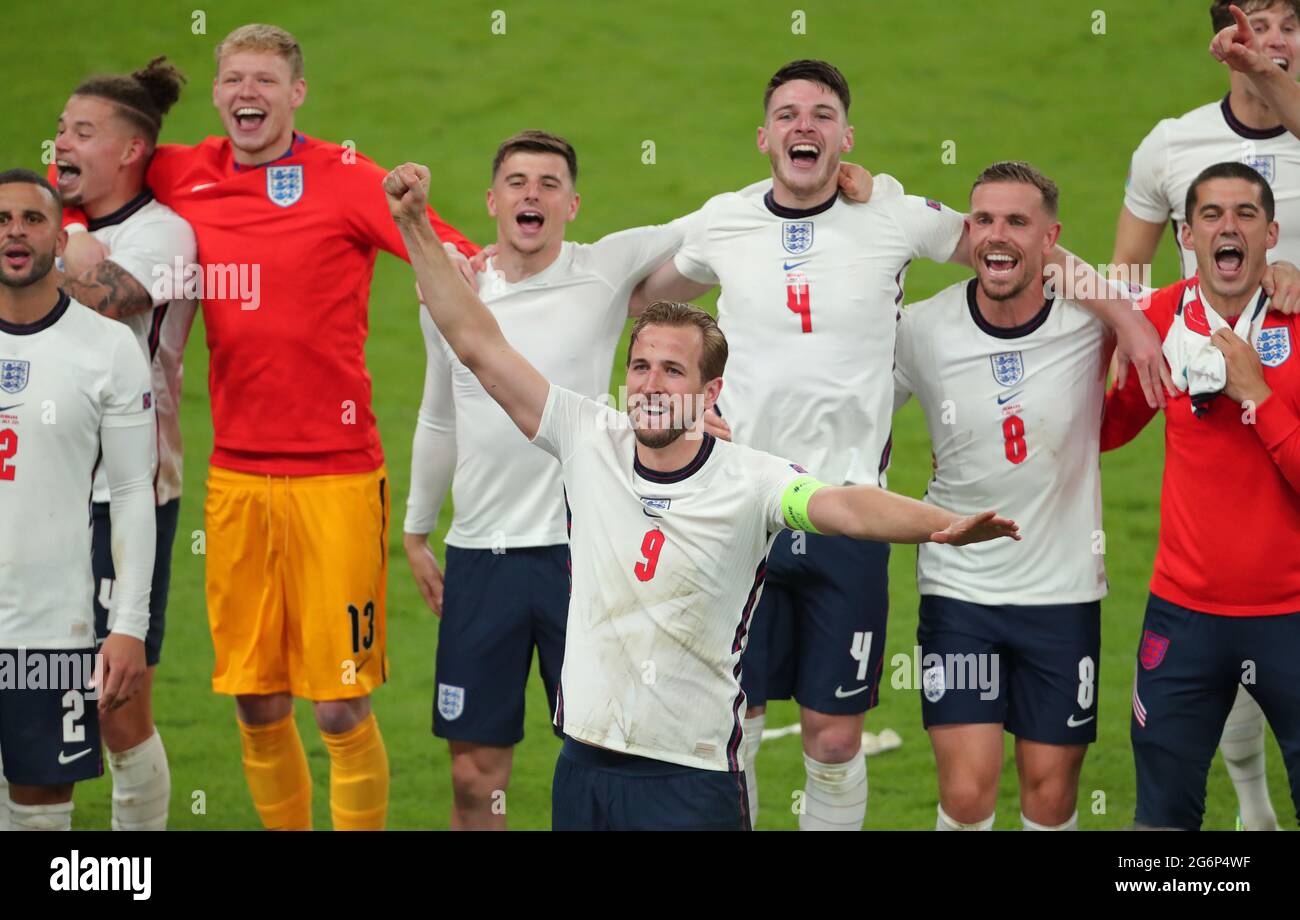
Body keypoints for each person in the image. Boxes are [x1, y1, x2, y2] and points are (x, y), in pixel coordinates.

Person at [384, 159, 1020, 830]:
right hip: (585, 770)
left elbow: (851, 505)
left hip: (691, 782)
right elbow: (478, 343)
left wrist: (943, 525)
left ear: (709, 391)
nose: (652, 384)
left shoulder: (752, 479)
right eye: (640, 366)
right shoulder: (587, 436)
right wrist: (415, 225)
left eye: (673, 370)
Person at [630, 58, 1164, 830]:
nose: (803, 125)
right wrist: (683, 408)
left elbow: (1011, 252)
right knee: (728, 723)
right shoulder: (725, 220)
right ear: (764, 137)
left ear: (846, 137)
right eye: (787, 114)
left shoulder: (892, 213)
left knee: (836, 737)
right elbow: (645, 302)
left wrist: (1129, 322)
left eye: (821, 114)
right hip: (737, 510)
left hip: (851, 513)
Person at [55, 23, 474, 831]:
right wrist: (66, 204)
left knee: (340, 707)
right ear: (217, 95)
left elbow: (447, 252)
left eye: (267, 81)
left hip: (338, 476)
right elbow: (86, 164)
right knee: (254, 698)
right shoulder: (187, 171)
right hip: (237, 478)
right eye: (236, 80)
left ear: (297, 94)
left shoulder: (348, 176)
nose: (250, 94)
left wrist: (476, 258)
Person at [1119, 0, 1300, 828]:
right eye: (1255, 21)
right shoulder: (1172, 142)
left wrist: (1258, 391)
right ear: (1189, 235)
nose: (1270, 37)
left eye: (1287, 22)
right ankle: (1252, 815)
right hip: (1189, 601)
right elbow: (1116, 273)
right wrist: (1127, 332)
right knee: (1165, 819)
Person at [894, 162, 1112, 831]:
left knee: (1050, 798)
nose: (998, 235)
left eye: (1018, 221)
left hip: (1063, 593)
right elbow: (848, 405)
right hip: (961, 592)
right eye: (983, 219)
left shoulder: (1090, 324)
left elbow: (1190, 312)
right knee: (966, 795)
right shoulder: (921, 329)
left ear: (1052, 238)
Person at [47, 57, 198, 832]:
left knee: (113, 703)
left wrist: (64, 246)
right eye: (61, 129)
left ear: (131, 150)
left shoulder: (165, 234)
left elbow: (101, 303)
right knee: (33, 693)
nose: (61, 142)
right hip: (34, 492)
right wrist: (67, 233)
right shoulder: (45, 225)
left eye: (83, 132)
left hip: (123, 495)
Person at [0, 170, 155, 831]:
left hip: (50, 625)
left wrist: (128, 625)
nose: (14, 232)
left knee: (40, 812)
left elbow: (129, 492)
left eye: (31, 220)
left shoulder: (107, 347)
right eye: (2, 219)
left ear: (60, 238)